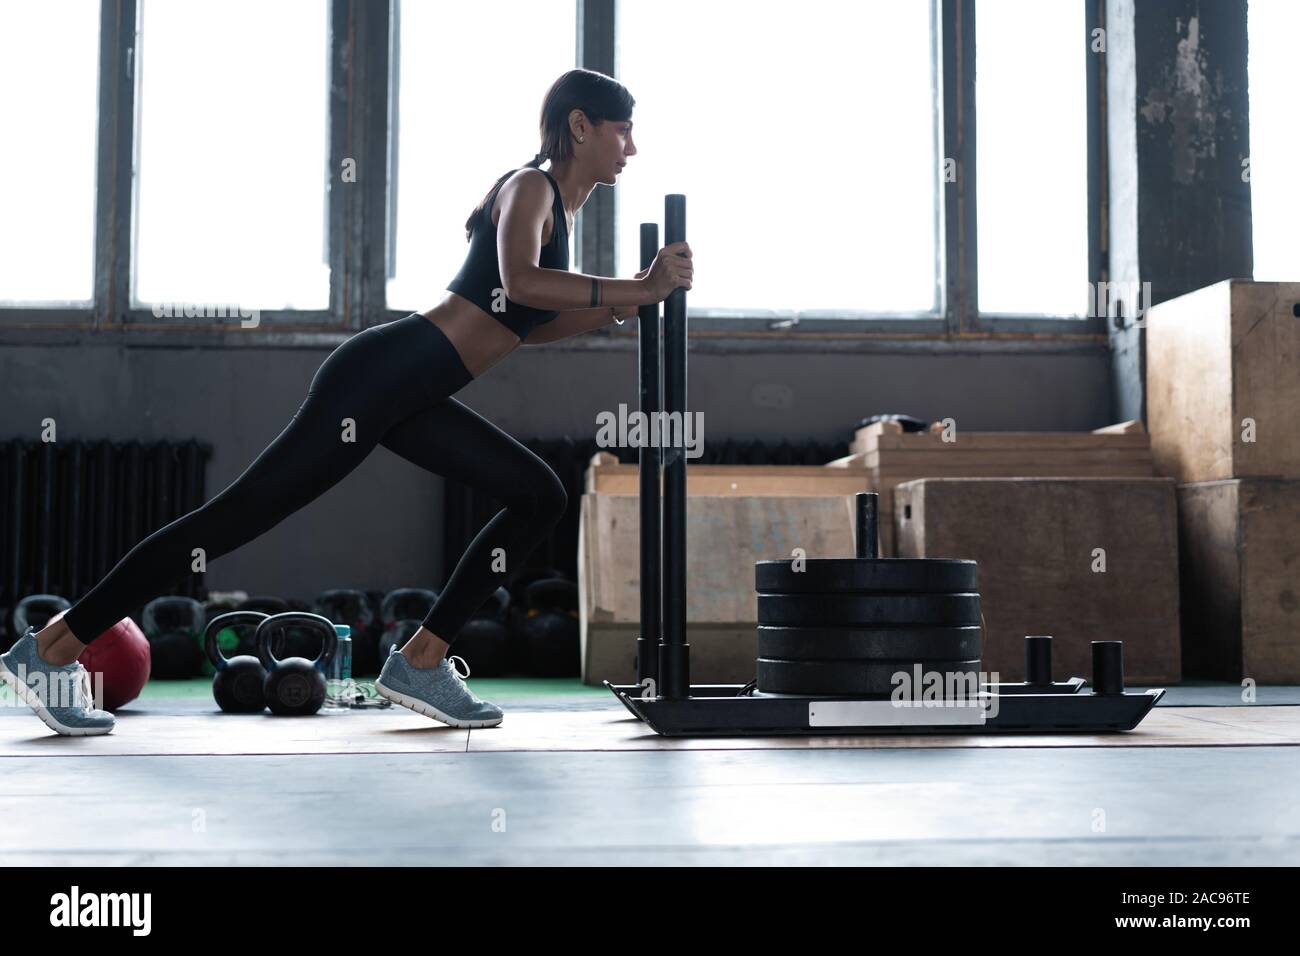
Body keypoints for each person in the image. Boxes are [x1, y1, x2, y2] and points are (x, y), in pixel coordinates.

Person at [0, 68, 693, 737]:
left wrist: (626, 303)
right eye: (623, 131)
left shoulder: (563, 212)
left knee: (538, 495)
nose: (631, 149)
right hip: (378, 378)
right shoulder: (531, 186)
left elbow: (531, 320)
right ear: (581, 126)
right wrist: (635, 290)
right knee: (230, 522)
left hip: (411, 392)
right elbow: (522, 280)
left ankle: (421, 661)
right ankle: (53, 647)